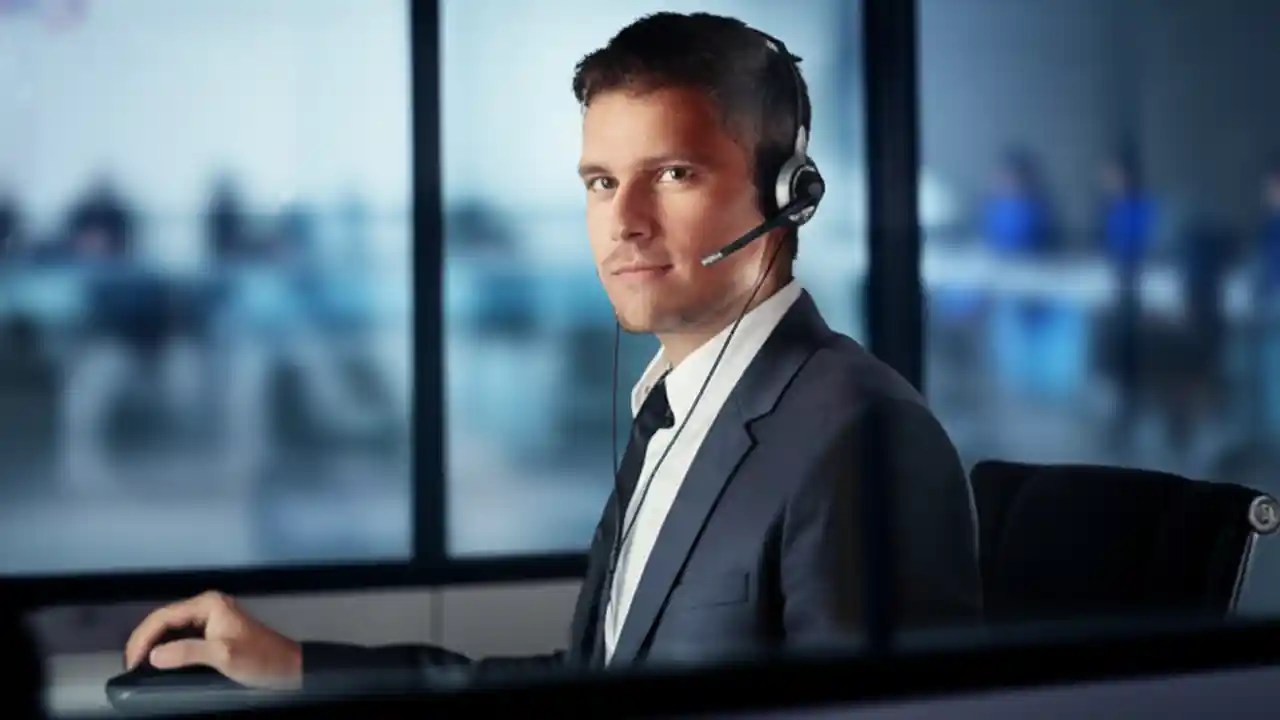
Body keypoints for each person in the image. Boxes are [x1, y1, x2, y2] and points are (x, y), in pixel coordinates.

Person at [122, 12, 981, 693]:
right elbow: (585, 680)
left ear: (790, 195)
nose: (624, 222)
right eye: (601, 183)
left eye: (673, 174)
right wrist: (293, 666)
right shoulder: (673, 412)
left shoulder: (860, 434)